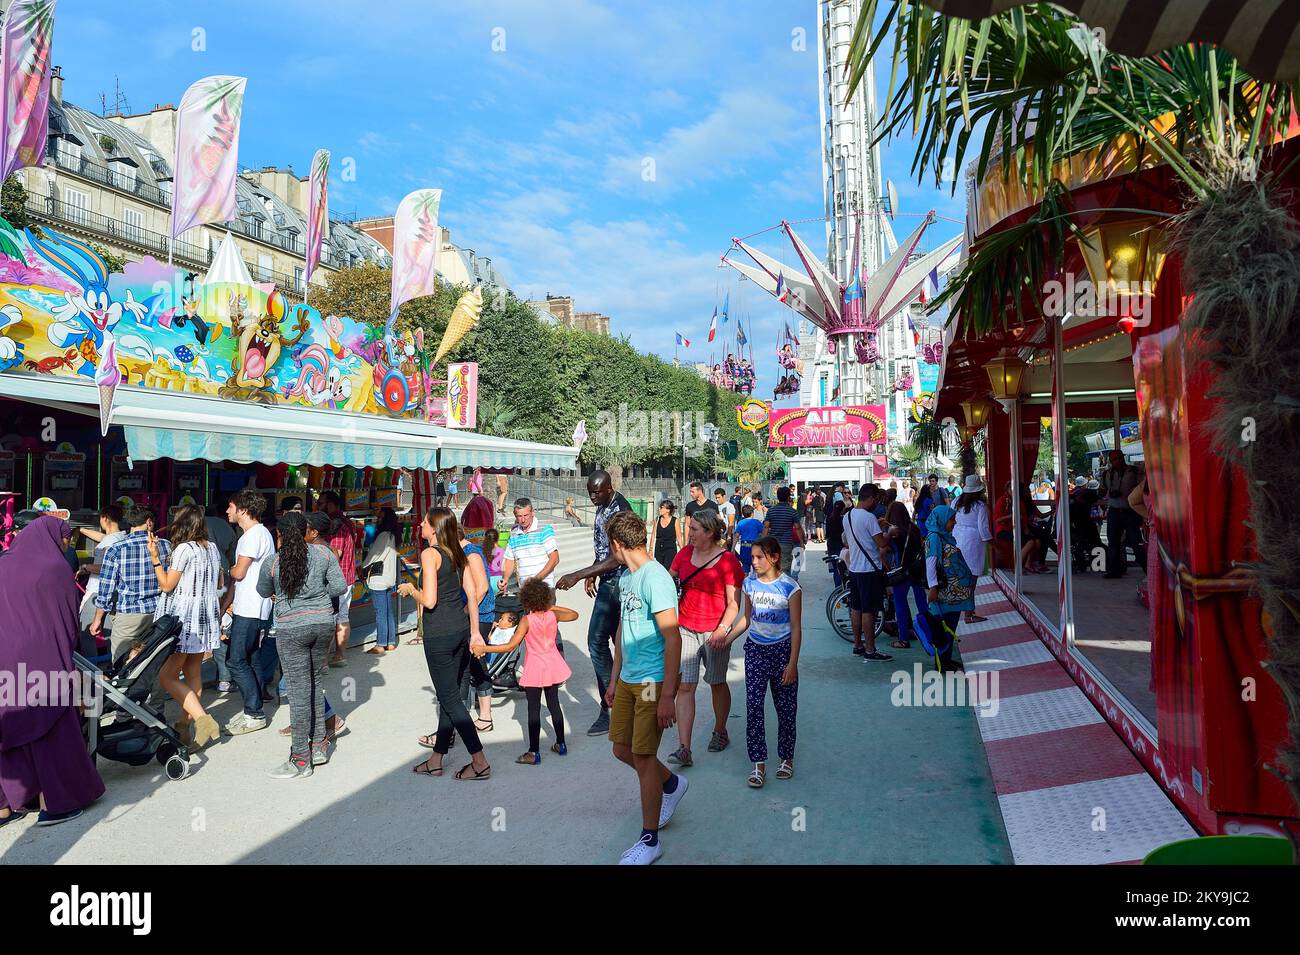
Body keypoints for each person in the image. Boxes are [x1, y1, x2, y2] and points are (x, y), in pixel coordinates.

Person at [0, 517, 106, 828]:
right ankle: (54, 804)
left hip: (5, 659)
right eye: (64, 539)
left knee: (11, 724)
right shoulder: (55, 569)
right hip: (43, 659)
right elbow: (67, 620)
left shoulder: (3, 564)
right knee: (50, 726)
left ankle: (5, 807)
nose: (66, 545)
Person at [602, 510, 685, 865]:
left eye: (611, 546)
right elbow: (623, 630)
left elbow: (673, 638)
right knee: (621, 749)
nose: (611, 552)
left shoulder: (656, 578)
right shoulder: (627, 578)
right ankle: (671, 784)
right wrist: (614, 676)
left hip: (652, 682)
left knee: (643, 755)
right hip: (628, 679)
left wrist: (667, 695)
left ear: (618, 544)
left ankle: (649, 840)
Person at [401, 508, 490, 780]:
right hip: (460, 632)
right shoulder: (457, 553)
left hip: (439, 634)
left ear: (435, 529)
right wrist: (474, 632)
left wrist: (410, 589)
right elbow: (473, 594)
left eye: (425, 522)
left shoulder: (430, 554)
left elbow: (429, 601)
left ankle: (480, 761)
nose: (420, 524)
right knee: (450, 696)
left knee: (451, 700)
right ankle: (436, 759)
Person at [257, 511, 349, 778]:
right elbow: (339, 586)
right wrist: (317, 594)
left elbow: (263, 591)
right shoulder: (323, 555)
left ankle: (300, 758)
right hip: (322, 623)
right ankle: (319, 745)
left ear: (280, 535)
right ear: (306, 531)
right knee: (315, 684)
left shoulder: (273, 563)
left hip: (291, 628)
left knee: (298, 693)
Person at [718, 535, 801, 788]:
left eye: (758, 557)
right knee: (753, 705)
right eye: (752, 557)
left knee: (785, 708)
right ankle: (758, 763)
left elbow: (797, 627)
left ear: (774, 558)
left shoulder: (790, 587)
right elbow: (746, 618)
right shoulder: (749, 584)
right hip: (755, 651)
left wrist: (792, 664)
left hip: (783, 651)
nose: (753, 561)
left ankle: (786, 757)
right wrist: (728, 637)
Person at [666, 508, 743, 767]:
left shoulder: (728, 561)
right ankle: (684, 748)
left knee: (716, 682)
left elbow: (734, 603)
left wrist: (723, 629)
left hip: (714, 633)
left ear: (710, 532)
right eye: (689, 528)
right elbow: (668, 582)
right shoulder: (684, 554)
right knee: (685, 686)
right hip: (685, 628)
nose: (690, 534)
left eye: (695, 530)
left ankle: (720, 731)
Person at [556, 471, 630, 735]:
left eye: (597, 492)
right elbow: (601, 544)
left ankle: (612, 706)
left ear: (609, 488)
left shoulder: (620, 511)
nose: (592, 496)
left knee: (599, 641)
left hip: (619, 582)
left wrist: (579, 574)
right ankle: (616, 703)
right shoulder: (603, 505)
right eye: (589, 492)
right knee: (608, 643)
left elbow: (618, 556)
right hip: (606, 578)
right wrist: (594, 572)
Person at [472, 578, 575, 765]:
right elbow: (574, 614)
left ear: (526, 601)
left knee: (533, 709)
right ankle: (561, 743)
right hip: (553, 665)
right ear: (546, 598)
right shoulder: (553, 616)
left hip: (536, 667)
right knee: (554, 705)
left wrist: (484, 649)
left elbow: (510, 645)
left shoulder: (527, 620)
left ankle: (534, 752)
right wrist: (550, 608)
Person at [147, 504, 222, 750]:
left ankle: (202, 720)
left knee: (167, 676)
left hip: (185, 618)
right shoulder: (211, 548)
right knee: (193, 673)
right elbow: (219, 580)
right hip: (206, 615)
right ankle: (184, 726)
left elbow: (167, 585)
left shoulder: (183, 549)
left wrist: (156, 560)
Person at [219, 490, 275, 736]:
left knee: (235, 659)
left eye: (230, 506)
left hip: (250, 607)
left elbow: (238, 573)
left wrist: (223, 570)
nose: (227, 511)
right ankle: (257, 701)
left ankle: (254, 712)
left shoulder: (251, 536)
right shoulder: (260, 534)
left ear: (243, 509)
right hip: (255, 605)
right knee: (250, 657)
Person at [91, 504, 170, 660]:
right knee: (153, 663)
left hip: (128, 615)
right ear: (149, 522)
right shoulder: (165, 546)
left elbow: (106, 588)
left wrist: (97, 619)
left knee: (122, 663)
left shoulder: (116, 549)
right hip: (159, 614)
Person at [841, 484, 892, 661]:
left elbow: (858, 536)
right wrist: (890, 532)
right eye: (876, 499)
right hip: (869, 570)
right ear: (870, 498)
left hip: (854, 569)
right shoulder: (869, 517)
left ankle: (858, 645)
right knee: (869, 611)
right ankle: (870, 650)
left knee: (856, 608)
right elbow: (882, 543)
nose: (876, 503)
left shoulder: (847, 516)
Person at [924, 505, 975, 671]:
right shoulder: (935, 538)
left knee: (950, 626)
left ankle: (946, 660)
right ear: (942, 520)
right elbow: (931, 562)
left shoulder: (943, 537)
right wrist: (933, 587)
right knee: (944, 627)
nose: (954, 522)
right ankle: (942, 663)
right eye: (951, 519)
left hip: (950, 593)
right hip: (944, 593)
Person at [883, 501, 929, 650]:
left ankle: (903, 639)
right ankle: (930, 634)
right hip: (917, 569)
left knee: (900, 604)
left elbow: (883, 549)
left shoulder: (893, 531)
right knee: (922, 604)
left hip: (902, 571)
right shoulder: (913, 528)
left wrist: (889, 568)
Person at [318, 491, 357, 667]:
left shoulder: (336, 525)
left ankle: (326, 660)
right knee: (342, 617)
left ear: (331, 505)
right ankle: (339, 656)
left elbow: (336, 553)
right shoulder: (347, 522)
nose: (318, 506)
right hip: (346, 578)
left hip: (337, 580)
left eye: (321, 503)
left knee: (333, 619)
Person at [75, 504, 125, 631]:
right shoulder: (122, 537)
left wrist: (85, 567)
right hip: (115, 593)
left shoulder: (110, 542)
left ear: (105, 518)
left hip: (98, 591)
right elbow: (102, 538)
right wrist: (80, 529)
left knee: (86, 631)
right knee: (110, 634)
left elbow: (107, 568)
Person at [953, 476, 993, 624]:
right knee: (972, 579)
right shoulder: (980, 506)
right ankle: (969, 614)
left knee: (962, 577)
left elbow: (951, 520)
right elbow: (984, 530)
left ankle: (965, 610)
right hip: (973, 542)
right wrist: (995, 546)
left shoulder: (956, 502)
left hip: (957, 538)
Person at [498, 497, 560, 592]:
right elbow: (509, 560)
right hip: (525, 591)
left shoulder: (544, 529)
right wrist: (505, 579)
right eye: (519, 516)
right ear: (515, 515)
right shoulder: (514, 533)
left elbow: (554, 559)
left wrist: (535, 580)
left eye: (526, 515)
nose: (523, 520)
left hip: (544, 588)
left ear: (532, 513)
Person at [363, 507, 401, 654]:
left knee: (380, 612)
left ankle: (380, 644)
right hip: (389, 577)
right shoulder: (392, 535)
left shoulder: (383, 535)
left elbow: (373, 555)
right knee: (388, 611)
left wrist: (363, 567)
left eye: (380, 518)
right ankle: (390, 642)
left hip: (378, 578)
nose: (378, 520)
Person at [1102, 450, 1144, 579]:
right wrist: (1109, 493)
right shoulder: (1107, 474)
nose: (1118, 461)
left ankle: (1147, 568)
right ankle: (1115, 570)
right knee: (1113, 541)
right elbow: (1103, 491)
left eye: (1120, 458)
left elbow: (1142, 488)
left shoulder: (1134, 471)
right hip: (1114, 510)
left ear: (1124, 458)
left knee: (1135, 542)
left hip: (1131, 511)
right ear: (1111, 461)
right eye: (1115, 459)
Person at [762, 485, 802, 574]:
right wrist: (801, 542)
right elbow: (798, 527)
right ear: (788, 497)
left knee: (773, 567)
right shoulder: (792, 511)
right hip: (786, 544)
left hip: (773, 544)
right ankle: (785, 587)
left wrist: (762, 542)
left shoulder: (771, 511)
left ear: (777, 497)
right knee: (785, 569)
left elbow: (766, 527)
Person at [650, 499, 682, 570]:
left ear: (668, 510)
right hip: (659, 549)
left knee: (667, 569)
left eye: (661, 507)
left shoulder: (675, 521)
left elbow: (679, 537)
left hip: (670, 549)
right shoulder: (657, 519)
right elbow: (653, 535)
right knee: (659, 570)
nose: (659, 509)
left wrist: (682, 551)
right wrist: (650, 550)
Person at [735, 504, 764, 574]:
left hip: (744, 547)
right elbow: (764, 532)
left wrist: (733, 548)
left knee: (745, 569)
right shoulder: (757, 522)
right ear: (752, 513)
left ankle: (745, 583)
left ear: (743, 514)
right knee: (756, 568)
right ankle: (755, 583)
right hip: (755, 547)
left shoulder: (740, 523)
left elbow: (736, 536)